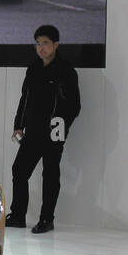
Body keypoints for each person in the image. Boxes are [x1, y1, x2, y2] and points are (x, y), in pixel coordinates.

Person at [8, 24, 80, 234]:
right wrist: (18, 126)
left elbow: (74, 105)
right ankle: (18, 215)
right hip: (32, 131)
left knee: (50, 175)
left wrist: (61, 126)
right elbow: (25, 98)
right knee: (19, 170)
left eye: (46, 43)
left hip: (54, 132)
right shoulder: (33, 68)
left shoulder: (66, 70)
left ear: (56, 45)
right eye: (38, 44)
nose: (41, 48)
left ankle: (47, 219)